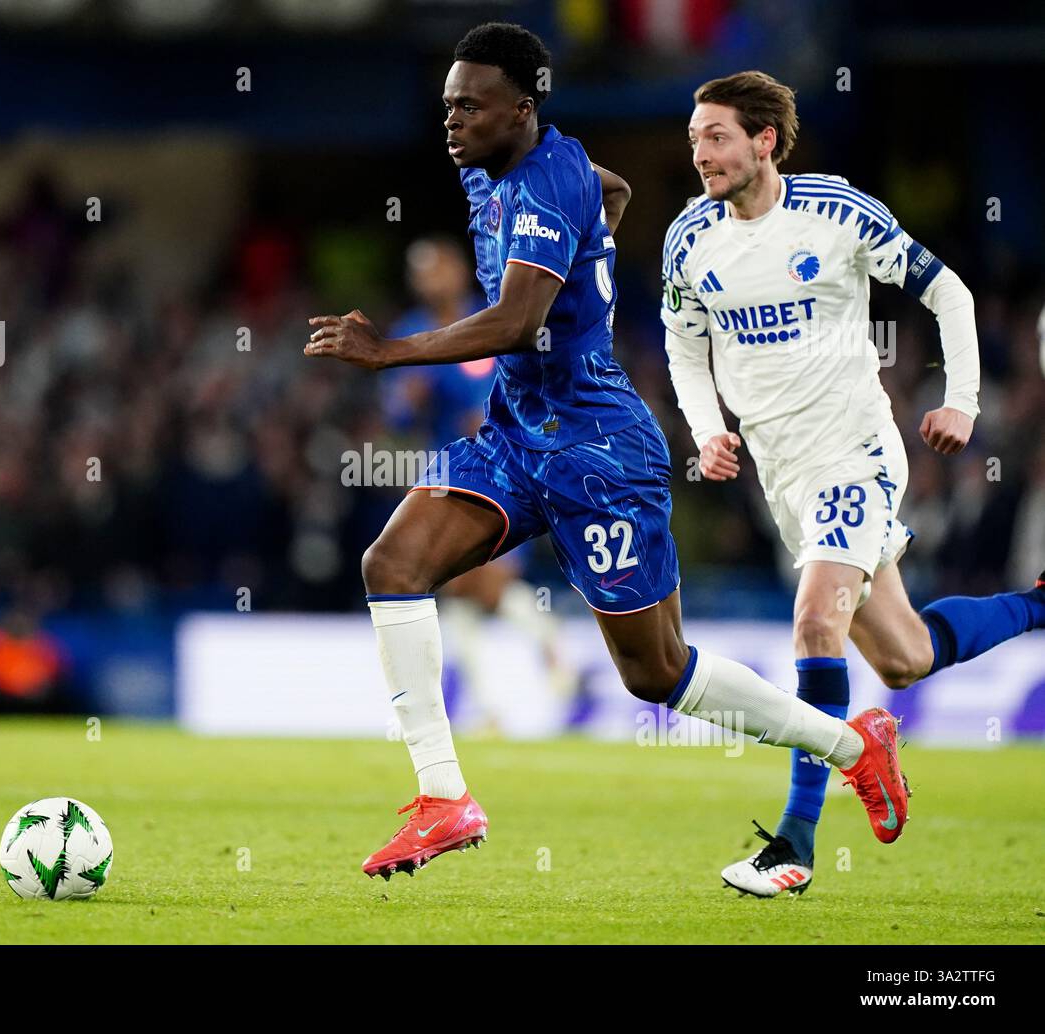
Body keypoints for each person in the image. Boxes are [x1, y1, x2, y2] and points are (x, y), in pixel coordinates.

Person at [306, 23, 909, 882]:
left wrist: (389, 351)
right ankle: (445, 799)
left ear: (522, 108)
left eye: (471, 107)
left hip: (598, 450)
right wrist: (601, 241)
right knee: (393, 561)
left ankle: (851, 744)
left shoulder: (545, 185)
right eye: (446, 105)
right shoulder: (518, 168)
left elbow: (516, 320)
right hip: (518, 434)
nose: (452, 121)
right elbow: (614, 190)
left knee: (657, 673)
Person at [661, 70, 1045, 896]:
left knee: (813, 623)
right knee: (903, 658)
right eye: (695, 139)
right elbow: (684, 345)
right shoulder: (690, 238)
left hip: (856, 452)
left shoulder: (836, 211)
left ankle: (794, 846)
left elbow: (947, 290)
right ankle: (1042, 602)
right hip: (783, 474)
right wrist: (706, 428)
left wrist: (962, 401)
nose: (701, 154)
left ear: (764, 140)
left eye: (717, 136)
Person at [385, 236, 576, 733]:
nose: (431, 280)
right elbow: (397, 413)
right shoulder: (411, 331)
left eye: (438, 268)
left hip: (504, 467)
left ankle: (545, 655)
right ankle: (507, 691)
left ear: (457, 270)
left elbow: (527, 379)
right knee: (455, 587)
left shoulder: (491, 317)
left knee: (477, 581)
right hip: (449, 472)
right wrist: (409, 396)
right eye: (421, 272)